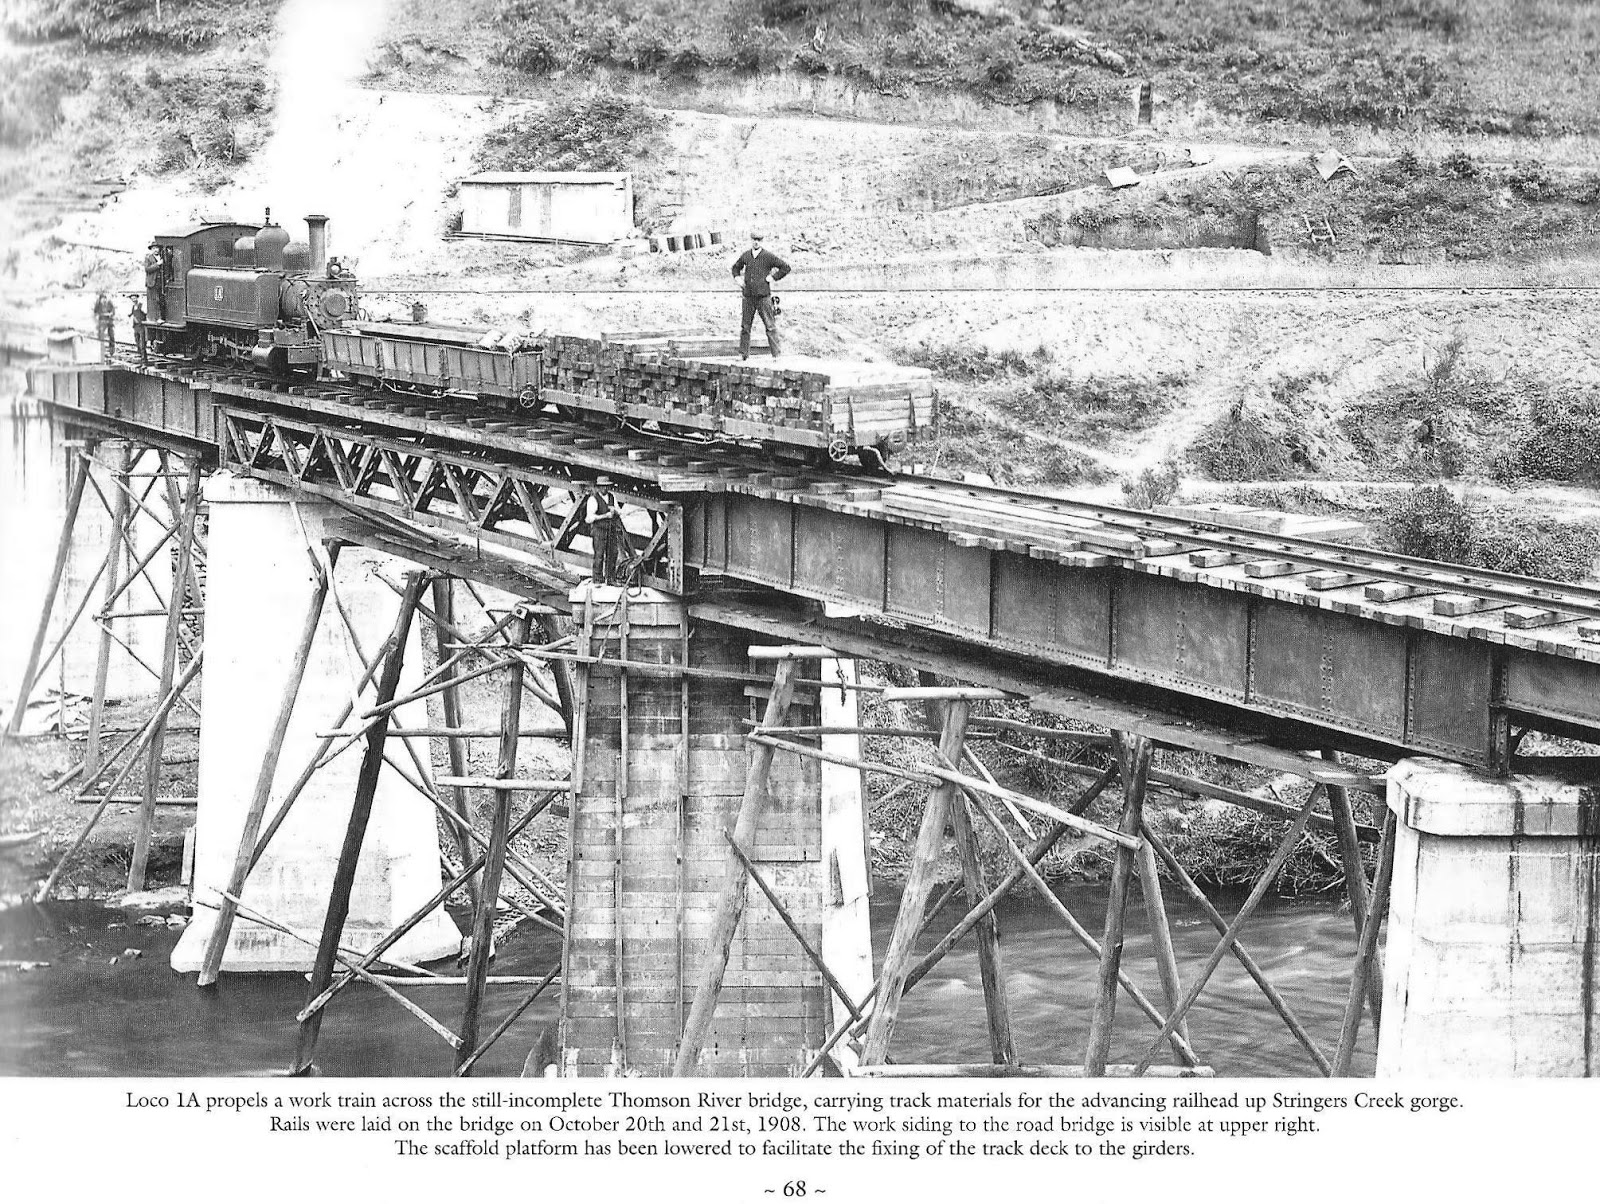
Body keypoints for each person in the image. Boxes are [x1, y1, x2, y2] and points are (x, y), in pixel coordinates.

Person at [731, 230, 789, 360]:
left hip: (763, 297)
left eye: (759, 240)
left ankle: (776, 355)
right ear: (751, 240)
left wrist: (772, 278)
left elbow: (785, 267)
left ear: (762, 241)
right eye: (754, 240)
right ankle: (743, 354)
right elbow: (735, 268)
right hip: (748, 297)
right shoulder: (746, 256)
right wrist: (738, 279)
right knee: (745, 327)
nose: (756, 242)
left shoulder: (768, 256)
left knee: (770, 326)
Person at [586, 477, 627, 585]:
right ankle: (597, 579)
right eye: (603, 486)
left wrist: (615, 511)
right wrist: (605, 516)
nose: (605, 488)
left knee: (613, 554)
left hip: (611, 529)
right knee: (599, 555)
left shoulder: (612, 497)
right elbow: (589, 518)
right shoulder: (593, 499)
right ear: (598, 487)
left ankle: (610, 579)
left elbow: (620, 511)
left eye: (606, 486)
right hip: (599, 531)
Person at [93, 292, 115, 362]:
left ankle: (112, 351)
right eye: (102, 299)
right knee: (101, 336)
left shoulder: (109, 303)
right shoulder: (98, 304)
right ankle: (101, 350)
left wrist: (111, 314)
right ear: (100, 299)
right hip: (102, 321)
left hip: (109, 321)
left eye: (105, 299)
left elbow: (113, 311)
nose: (104, 300)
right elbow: (95, 312)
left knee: (111, 335)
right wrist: (99, 316)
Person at [130, 296, 148, 364]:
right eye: (132, 299)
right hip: (136, 327)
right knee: (137, 342)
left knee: (142, 344)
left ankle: (144, 361)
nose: (134, 300)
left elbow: (146, 313)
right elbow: (132, 315)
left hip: (141, 326)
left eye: (135, 298)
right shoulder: (133, 307)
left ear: (137, 298)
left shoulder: (141, 306)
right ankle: (141, 357)